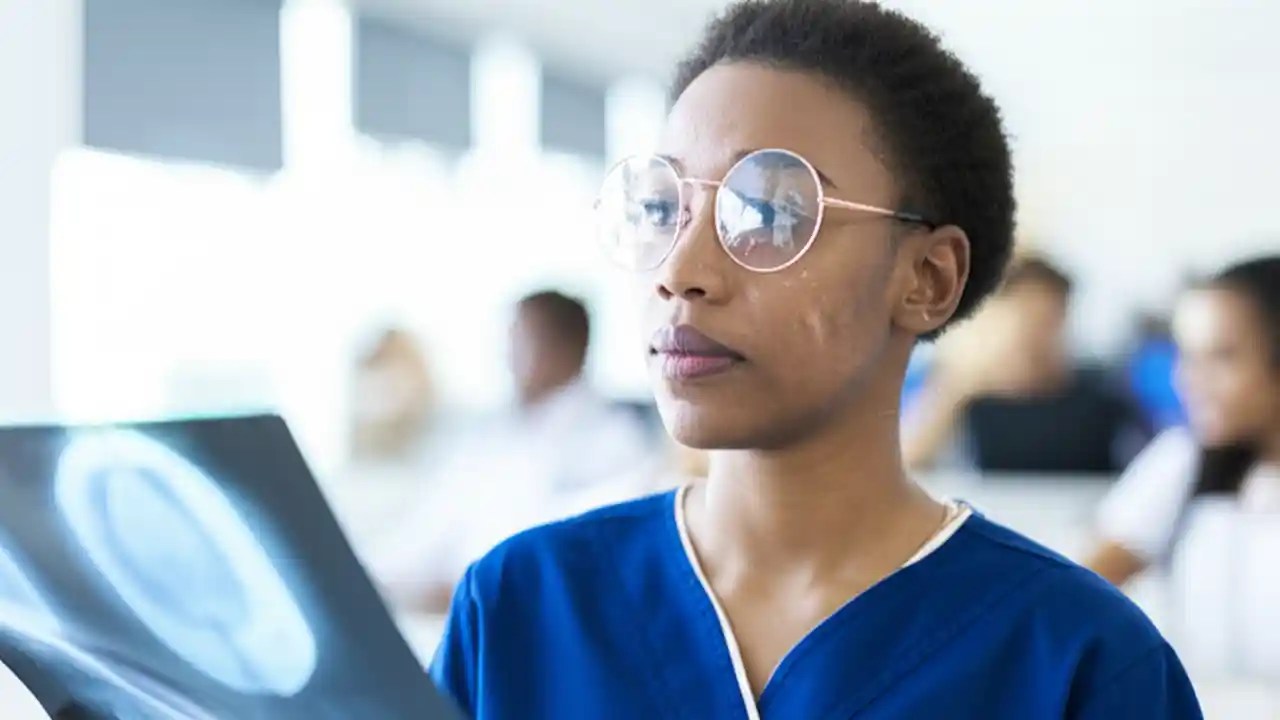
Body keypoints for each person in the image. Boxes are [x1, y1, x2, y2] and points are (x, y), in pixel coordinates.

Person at [430, 1, 1200, 718]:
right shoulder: (521, 610)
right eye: (664, 208)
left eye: (769, 211)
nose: (679, 270)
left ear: (926, 280)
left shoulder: (1079, 661)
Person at [368, 291, 655, 613]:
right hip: (455, 610)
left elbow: (561, 561)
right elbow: (426, 534)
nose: (506, 355)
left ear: (566, 347)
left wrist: (461, 589)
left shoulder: (611, 438)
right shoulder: (487, 434)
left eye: (520, 339)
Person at [1088, 255, 1280, 681]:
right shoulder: (1181, 461)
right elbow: (1077, 592)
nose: (1189, 380)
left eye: (1223, 357)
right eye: (1187, 356)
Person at [903, 256, 1143, 473]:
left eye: (1049, 319)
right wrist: (956, 389)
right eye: (1027, 316)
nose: (1035, 334)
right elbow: (908, 464)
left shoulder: (1102, 398)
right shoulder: (965, 395)